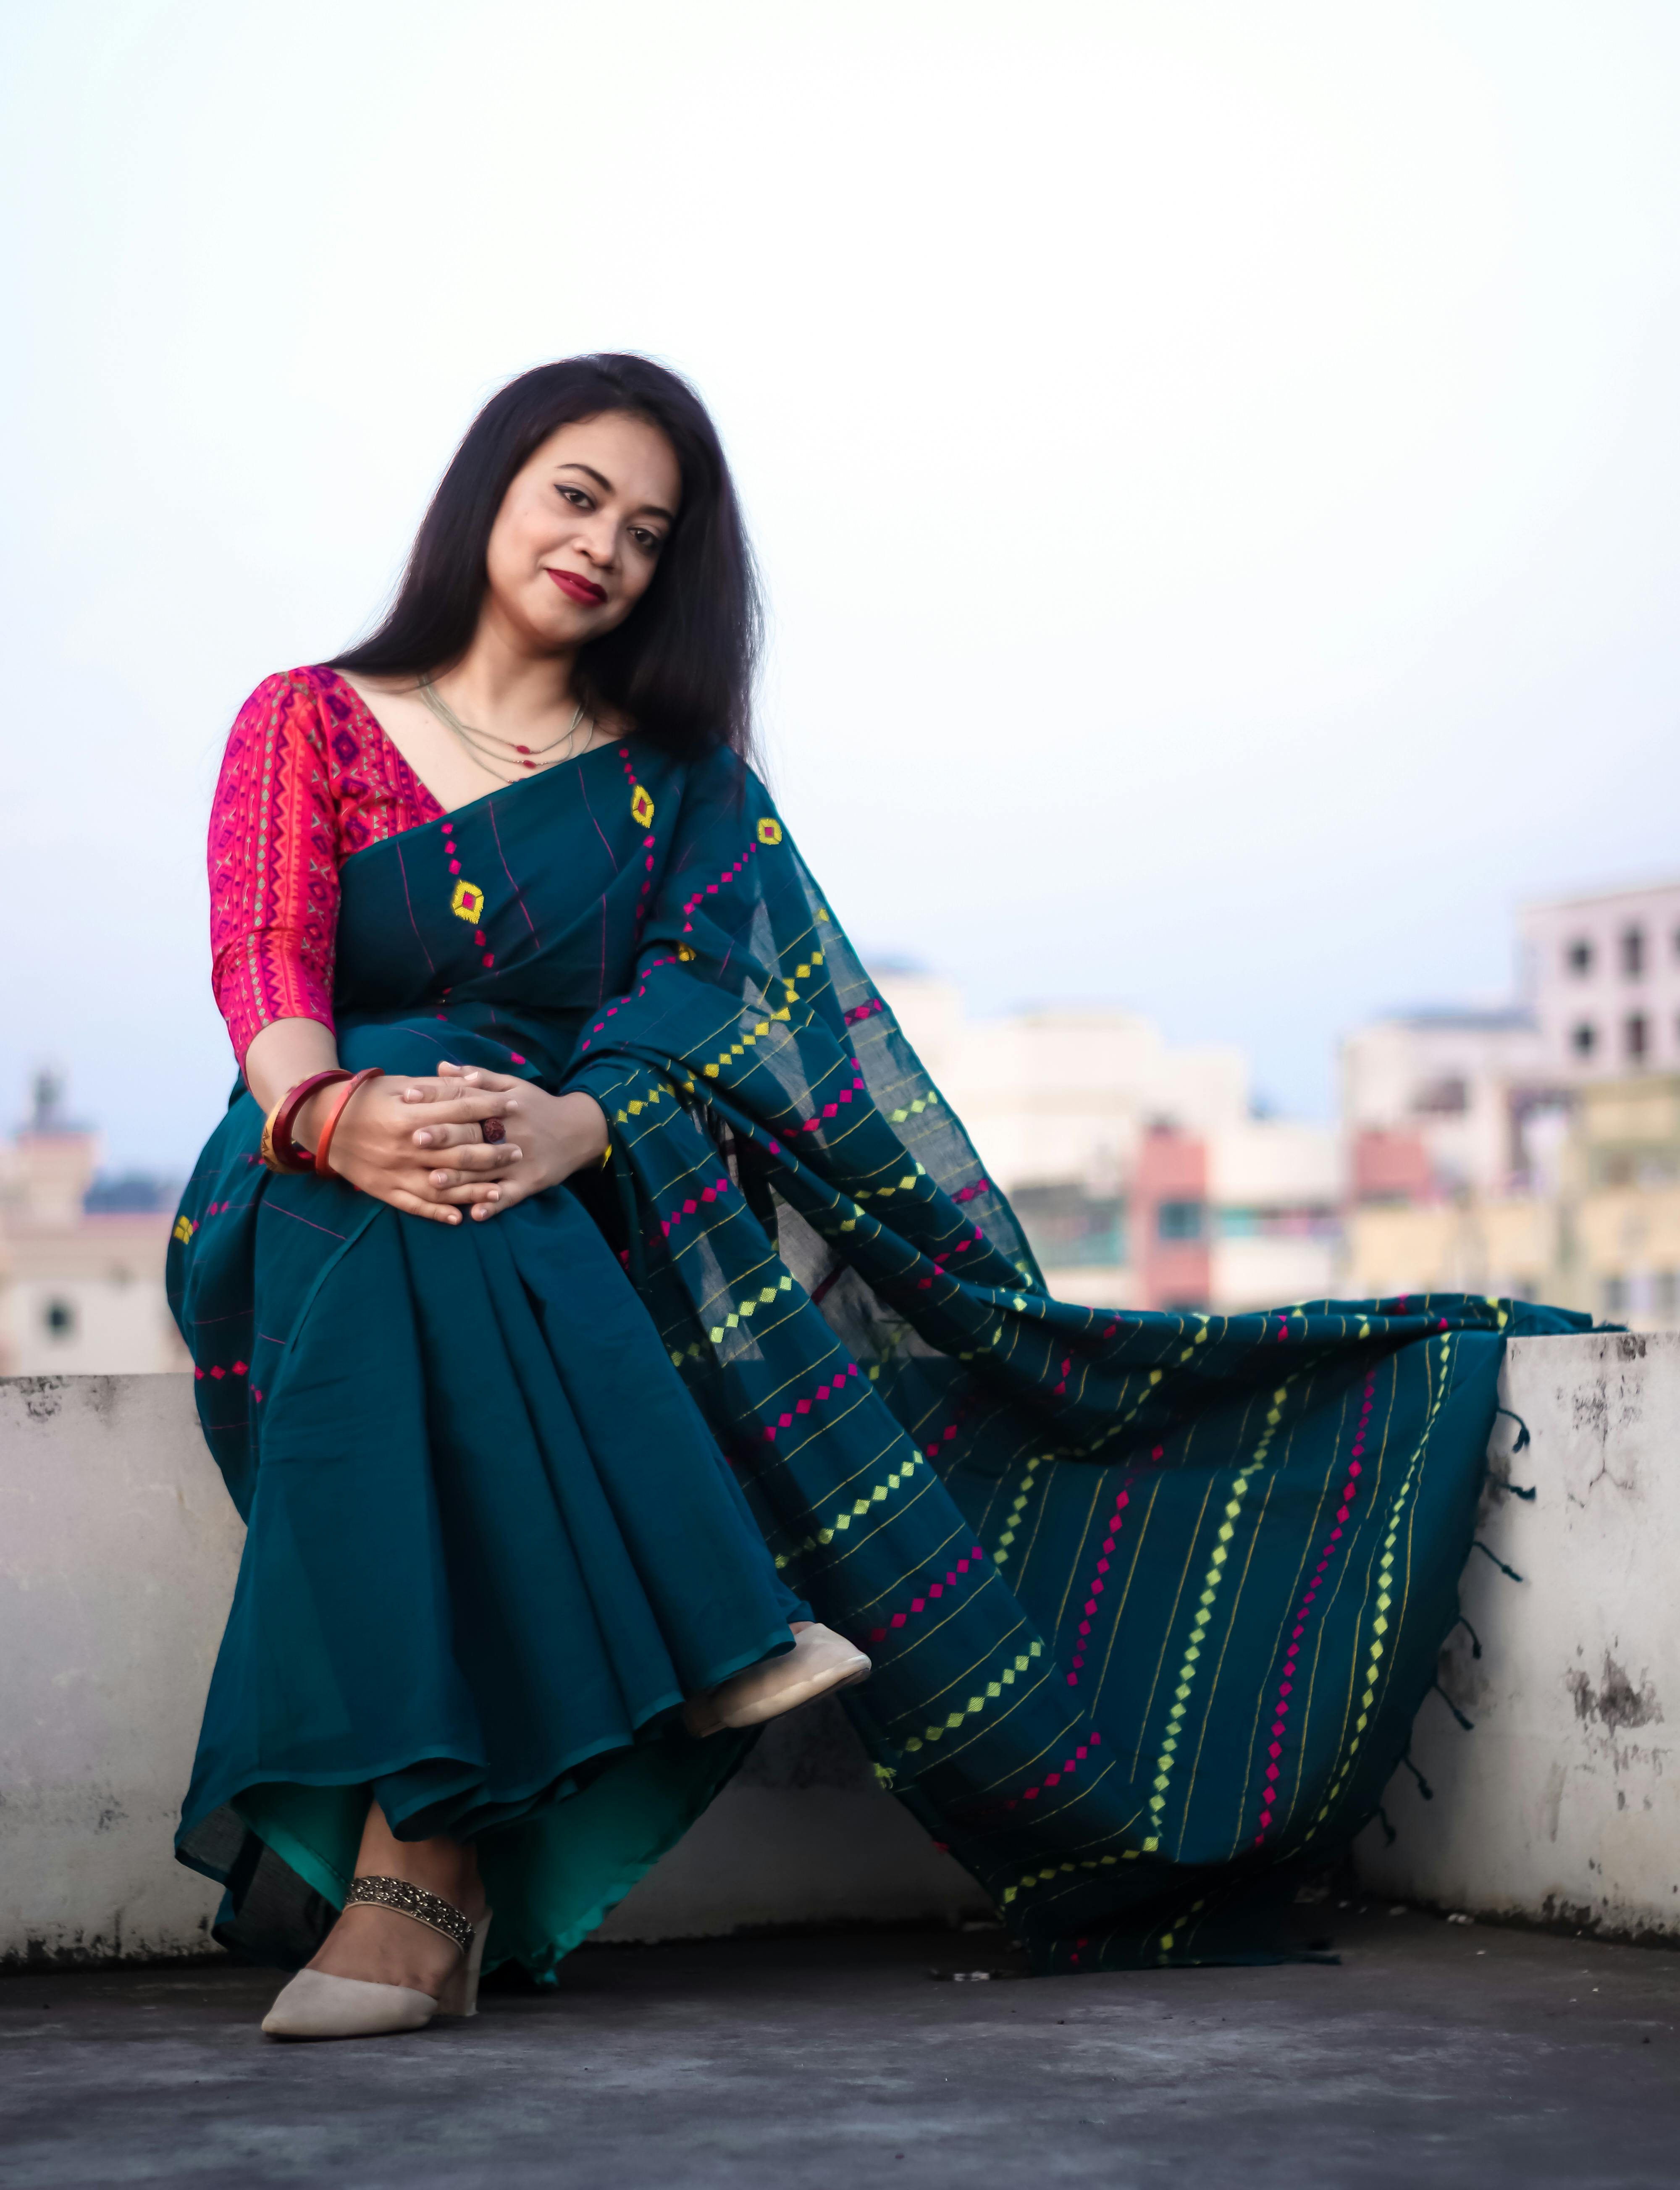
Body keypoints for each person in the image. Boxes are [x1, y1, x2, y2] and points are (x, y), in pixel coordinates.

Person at [171, 353, 1577, 2041]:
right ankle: (707, 1619)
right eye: (575, 494)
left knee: (451, 1228)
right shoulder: (308, 718)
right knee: (412, 1200)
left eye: (647, 529)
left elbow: (714, 995)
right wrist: (332, 1111)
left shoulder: (673, 781)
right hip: (303, 1170)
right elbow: (266, 953)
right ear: (490, 488)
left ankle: (423, 1885)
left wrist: (573, 1128)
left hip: (558, 1191)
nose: (604, 546)